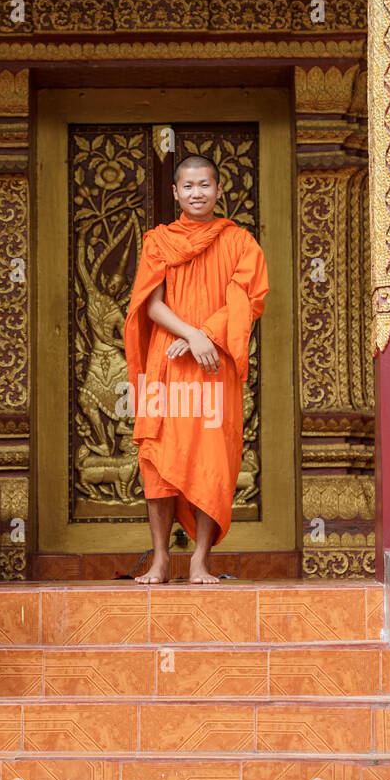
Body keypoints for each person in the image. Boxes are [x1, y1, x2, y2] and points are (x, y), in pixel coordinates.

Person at [122, 154, 269, 584]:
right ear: (175, 193)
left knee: (212, 459)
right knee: (157, 458)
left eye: (205, 185)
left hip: (212, 361)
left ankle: (200, 561)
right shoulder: (158, 241)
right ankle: (161, 560)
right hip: (168, 358)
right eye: (188, 186)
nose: (197, 193)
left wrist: (204, 336)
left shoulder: (240, 242)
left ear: (219, 190)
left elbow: (249, 300)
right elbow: (150, 304)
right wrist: (192, 335)